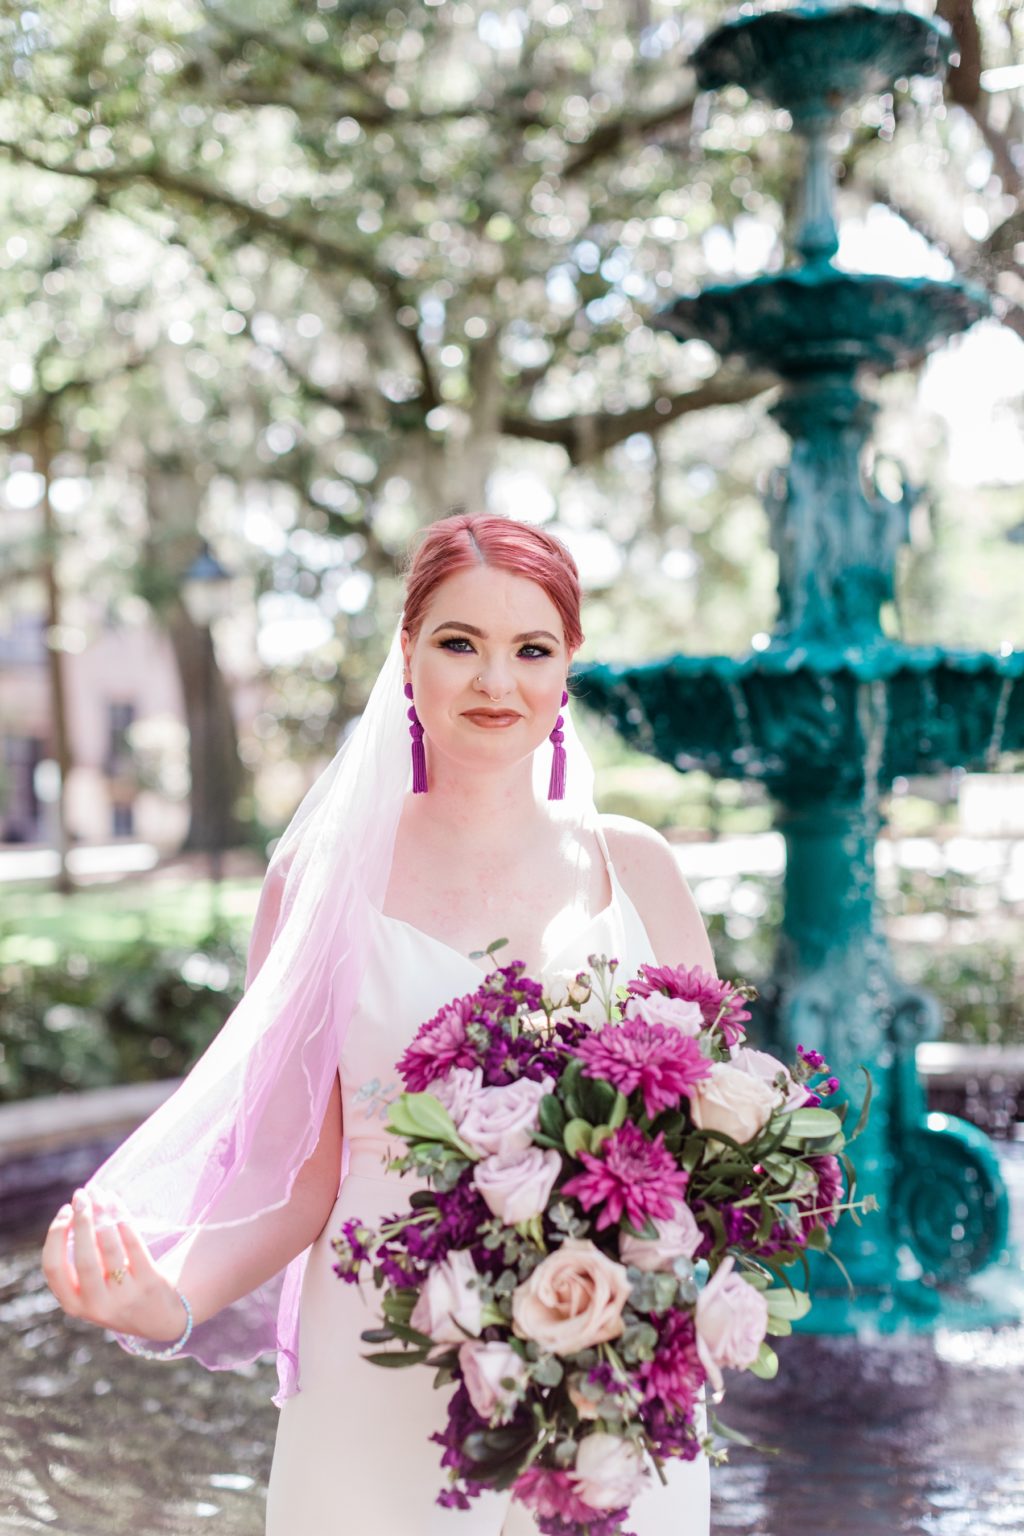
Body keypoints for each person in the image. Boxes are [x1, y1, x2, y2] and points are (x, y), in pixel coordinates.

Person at [41, 512, 715, 1534]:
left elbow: (707, 1148)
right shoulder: (317, 884)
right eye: (460, 643)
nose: (496, 681)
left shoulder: (641, 871)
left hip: (609, 1371)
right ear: (407, 653)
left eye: (532, 649)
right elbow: (290, 1180)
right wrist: (167, 1300)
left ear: (568, 665)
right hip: (384, 1363)